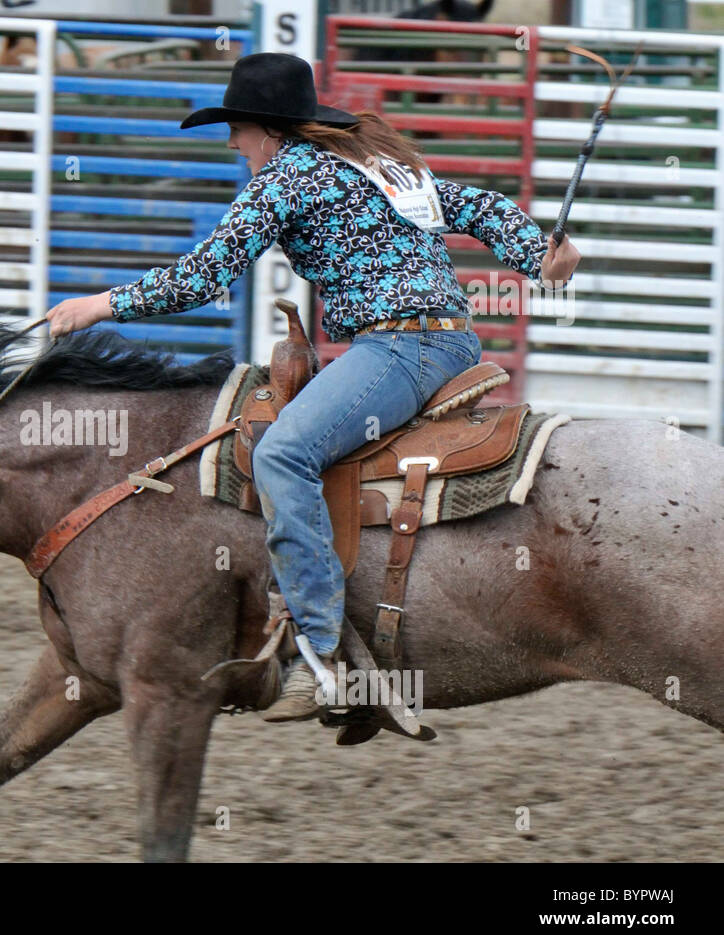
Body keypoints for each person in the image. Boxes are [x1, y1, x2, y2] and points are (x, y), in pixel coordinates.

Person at [44, 52, 579, 720]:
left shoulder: (287, 175)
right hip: (449, 340)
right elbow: (478, 205)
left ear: (265, 131)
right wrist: (539, 255)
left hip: (400, 346)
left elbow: (205, 275)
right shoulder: (377, 160)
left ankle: (321, 653)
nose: (234, 144)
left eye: (236, 129)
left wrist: (102, 305)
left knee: (281, 453)